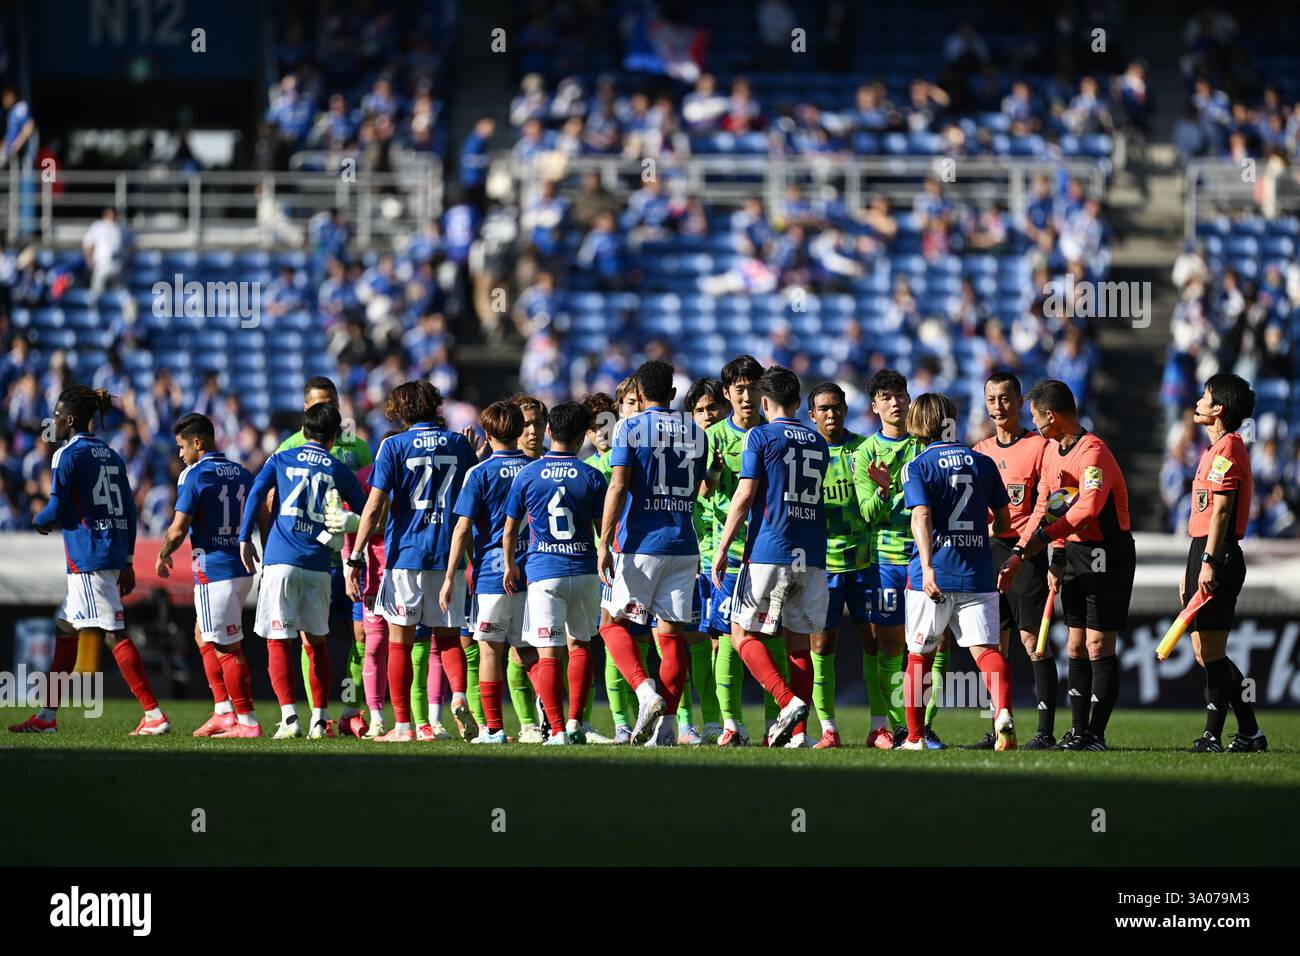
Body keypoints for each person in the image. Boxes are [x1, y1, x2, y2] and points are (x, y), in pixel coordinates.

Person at [9, 387, 168, 736]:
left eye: (55, 415)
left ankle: (153, 713)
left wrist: (37, 520)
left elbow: (54, 510)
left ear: (67, 419)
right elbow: (128, 510)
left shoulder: (66, 455)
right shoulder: (112, 455)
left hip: (89, 555)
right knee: (66, 629)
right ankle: (47, 717)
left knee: (113, 632)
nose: (52, 421)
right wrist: (126, 559)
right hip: (110, 551)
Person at [998, 380, 1135, 751]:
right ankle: (1076, 731)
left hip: (1107, 552)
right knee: (1075, 645)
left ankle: (1096, 734)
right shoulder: (1054, 452)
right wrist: (1026, 551)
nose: (1035, 426)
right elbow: (1045, 507)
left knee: (1097, 644)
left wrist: (1045, 539)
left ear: (1052, 416)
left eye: (1036, 418)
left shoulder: (1093, 453)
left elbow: (1087, 510)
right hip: (1073, 552)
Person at [346, 382, 478, 743]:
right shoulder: (459, 444)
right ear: (435, 406)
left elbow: (374, 506)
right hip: (447, 556)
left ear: (401, 410)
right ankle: (460, 698)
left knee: (399, 643)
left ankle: (402, 726)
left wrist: (355, 557)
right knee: (449, 639)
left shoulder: (393, 445)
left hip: (406, 556)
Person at [598, 360, 710, 745]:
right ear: (674, 394)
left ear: (640, 394)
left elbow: (617, 487)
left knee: (610, 623)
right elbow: (696, 489)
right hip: (683, 542)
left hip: (641, 542)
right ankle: (664, 732)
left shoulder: (628, 427)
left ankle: (646, 694)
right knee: (672, 636)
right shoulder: (698, 433)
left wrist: (604, 540)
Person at [240, 403, 368, 739]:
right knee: (316, 643)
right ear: (334, 437)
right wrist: (340, 535)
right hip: (317, 565)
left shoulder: (281, 458)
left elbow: (255, 493)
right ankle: (319, 720)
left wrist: (243, 537)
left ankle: (289, 719)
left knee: (278, 640)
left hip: (280, 561)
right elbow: (365, 511)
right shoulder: (338, 467)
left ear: (303, 428)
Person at [712, 365, 823, 748]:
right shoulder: (818, 442)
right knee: (799, 642)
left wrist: (724, 546)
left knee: (741, 633)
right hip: (811, 554)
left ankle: (785, 700)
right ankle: (799, 736)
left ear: (764, 401)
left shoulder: (759, 435)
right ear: (797, 402)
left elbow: (744, 496)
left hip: (769, 551)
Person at [900, 393, 1016, 751]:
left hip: (932, 577)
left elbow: (921, 516)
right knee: (986, 652)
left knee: (920, 656)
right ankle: (1003, 714)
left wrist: (930, 565)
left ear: (920, 422)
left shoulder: (918, 465)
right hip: (978, 573)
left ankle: (916, 737)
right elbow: (1006, 522)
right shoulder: (983, 463)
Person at [503, 402, 608, 744]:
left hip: (545, 572)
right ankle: (577, 722)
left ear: (548, 431)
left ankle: (557, 729)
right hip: (584, 569)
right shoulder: (593, 475)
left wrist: (509, 563)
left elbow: (510, 528)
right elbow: (601, 528)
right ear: (581, 438)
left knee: (548, 652)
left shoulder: (528, 473)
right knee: (580, 646)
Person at [277, 376, 373, 737]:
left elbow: (371, 498)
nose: (329, 410)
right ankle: (315, 713)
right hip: (313, 558)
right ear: (306, 409)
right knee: (309, 637)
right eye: (320, 405)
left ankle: (351, 710)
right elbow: (273, 501)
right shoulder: (287, 448)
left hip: (350, 559)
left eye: (333, 403)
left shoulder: (357, 449)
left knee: (361, 635)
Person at [155, 413, 260, 738]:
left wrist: (163, 554)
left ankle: (247, 721)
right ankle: (223, 711)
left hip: (215, 570)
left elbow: (178, 527)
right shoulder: (242, 473)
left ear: (198, 443)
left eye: (183, 446)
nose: (180, 454)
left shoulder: (194, 474)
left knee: (227, 647)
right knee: (204, 635)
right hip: (241, 566)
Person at [968, 371, 1056, 750]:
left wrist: (1050, 550)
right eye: (991, 399)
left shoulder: (1039, 447)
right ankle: (999, 726)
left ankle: (1045, 730)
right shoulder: (980, 451)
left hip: (1028, 553)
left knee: (1032, 641)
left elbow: (1056, 501)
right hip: (988, 554)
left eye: (1005, 398)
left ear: (1020, 403)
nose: (998, 406)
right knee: (992, 645)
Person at [441, 401, 533, 744]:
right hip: (529, 571)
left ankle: (493, 729)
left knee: (490, 650)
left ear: (488, 434)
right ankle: (552, 723)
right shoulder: (534, 467)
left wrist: (451, 574)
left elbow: (463, 528)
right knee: (529, 651)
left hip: (493, 574)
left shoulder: (479, 473)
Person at [1183, 374, 1266, 752]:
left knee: (1212, 650)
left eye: (1204, 396)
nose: (1197, 402)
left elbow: (1221, 512)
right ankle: (1249, 731)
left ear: (1218, 409)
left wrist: (1208, 561)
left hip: (1218, 551)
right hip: (1202, 548)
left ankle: (1213, 734)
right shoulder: (1213, 449)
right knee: (1203, 650)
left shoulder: (1230, 448)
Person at [703, 355, 780, 747]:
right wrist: (714, 473)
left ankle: (775, 723)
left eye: (753, 388)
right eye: (739, 389)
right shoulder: (713, 436)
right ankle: (731, 724)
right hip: (730, 554)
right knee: (729, 638)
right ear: (728, 393)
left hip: (769, 553)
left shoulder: (771, 434)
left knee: (772, 638)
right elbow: (702, 493)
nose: (746, 396)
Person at [852, 369, 927, 748]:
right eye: (886, 396)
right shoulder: (866, 452)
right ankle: (900, 726)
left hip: (924, 556)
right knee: (893, 646)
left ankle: (923, 725)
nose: (895, 402)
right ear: (874, 406)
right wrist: (882, 493)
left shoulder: (922, 446)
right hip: (885, 561)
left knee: (930, 645)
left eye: (900, 394)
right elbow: (867, 514)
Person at [805, 382, 873, 749]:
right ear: (812, 414)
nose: (831, 414)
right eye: (824, 409)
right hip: (823, 564)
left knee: (876, 643)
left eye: (837, 407)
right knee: (822, 645)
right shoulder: (805, 453)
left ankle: (880, 726)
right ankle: (828, 728)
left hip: (865, 560)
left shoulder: (864, 448)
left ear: (846, 408)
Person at [679, 377, 728, 744]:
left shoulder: (740, 444)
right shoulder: (680, 452)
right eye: (700, 411)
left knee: (718, 643)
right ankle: (683, 723)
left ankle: (717, 721)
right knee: (683, 639)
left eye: (712, 408)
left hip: (726, 559)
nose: (707, 416)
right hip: (687, 557)